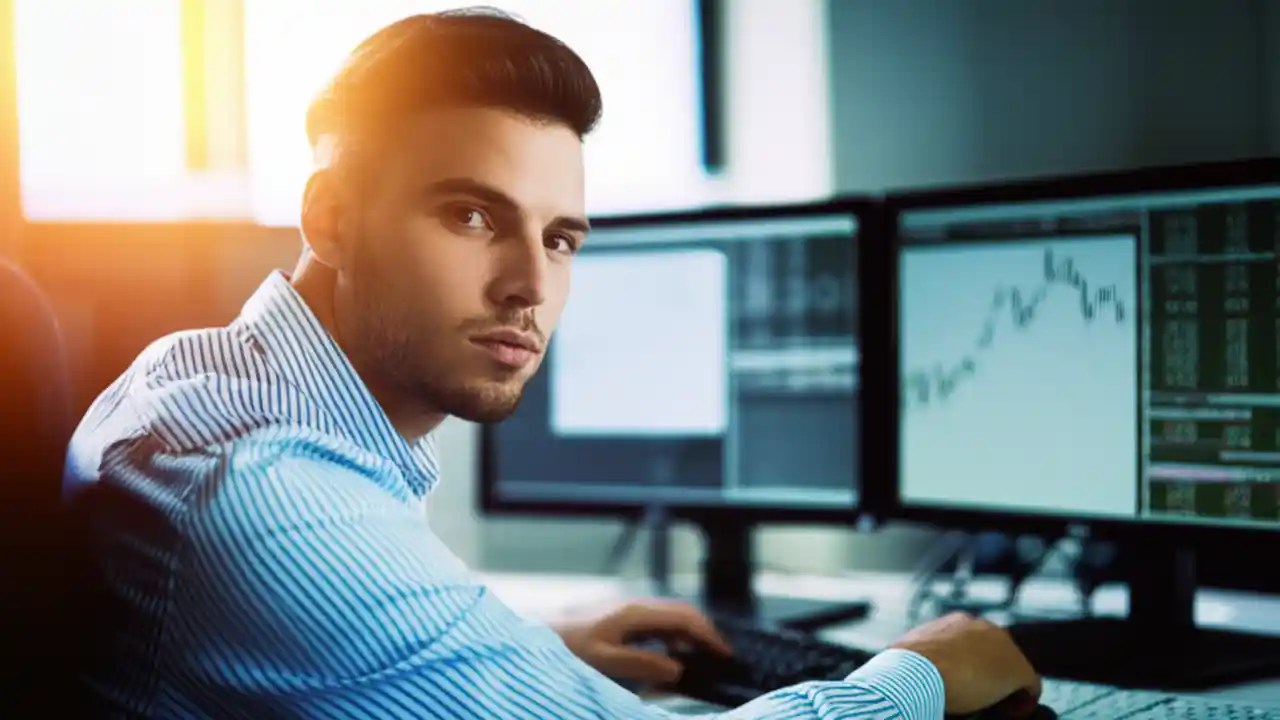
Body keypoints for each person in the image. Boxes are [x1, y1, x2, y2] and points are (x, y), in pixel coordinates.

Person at [64, 8, 1041, 719]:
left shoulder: (193, 381)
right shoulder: (264, 491)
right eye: (472, 215)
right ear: (329, 218)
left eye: (562, 237)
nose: (528, 285)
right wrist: (913, 676)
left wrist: (529, 658)